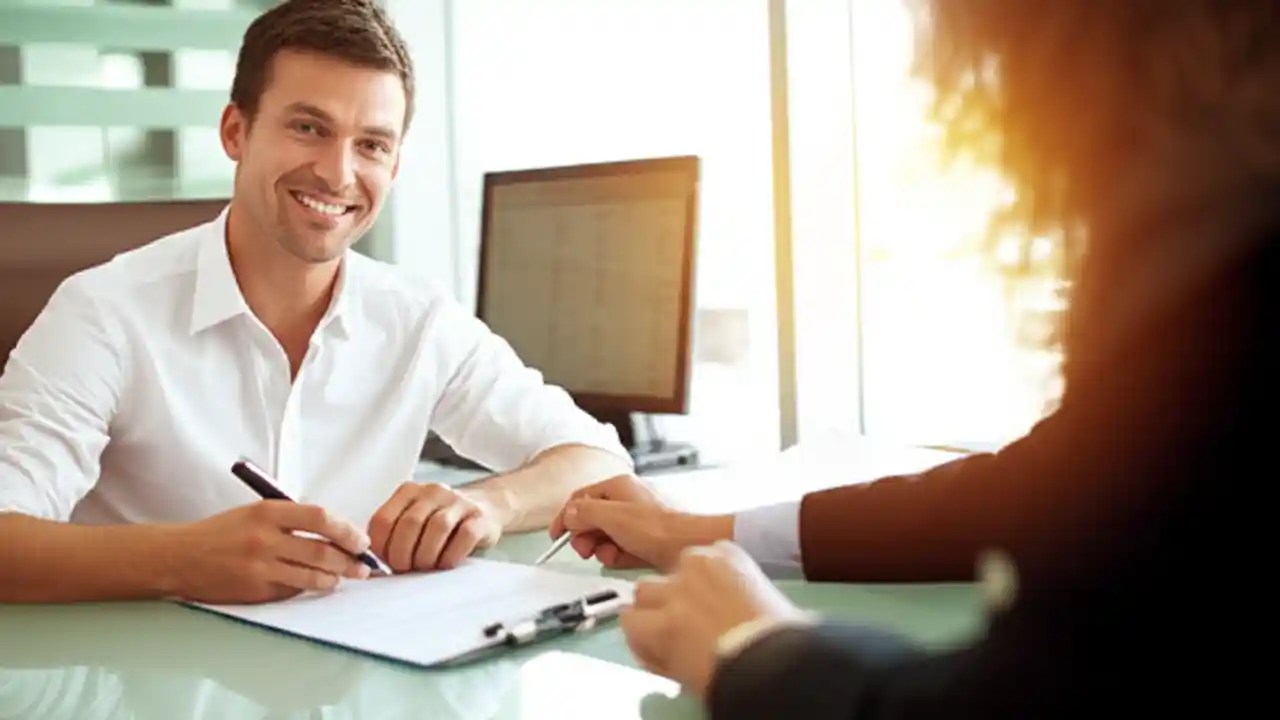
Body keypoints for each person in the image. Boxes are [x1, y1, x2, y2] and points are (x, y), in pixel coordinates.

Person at [549, 0, 1279, 716]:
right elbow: (1049, 484)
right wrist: (701, 532)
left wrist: (755, 649)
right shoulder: (1219, 198)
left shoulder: (1215, 255)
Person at [0, 0, 630, 605]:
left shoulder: (418, 321)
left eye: (372, 145)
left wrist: (491, 505)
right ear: (235, 131)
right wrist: (182, 560)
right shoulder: (102, 314)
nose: (337, 174)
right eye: (309, 128)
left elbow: (597, 460)